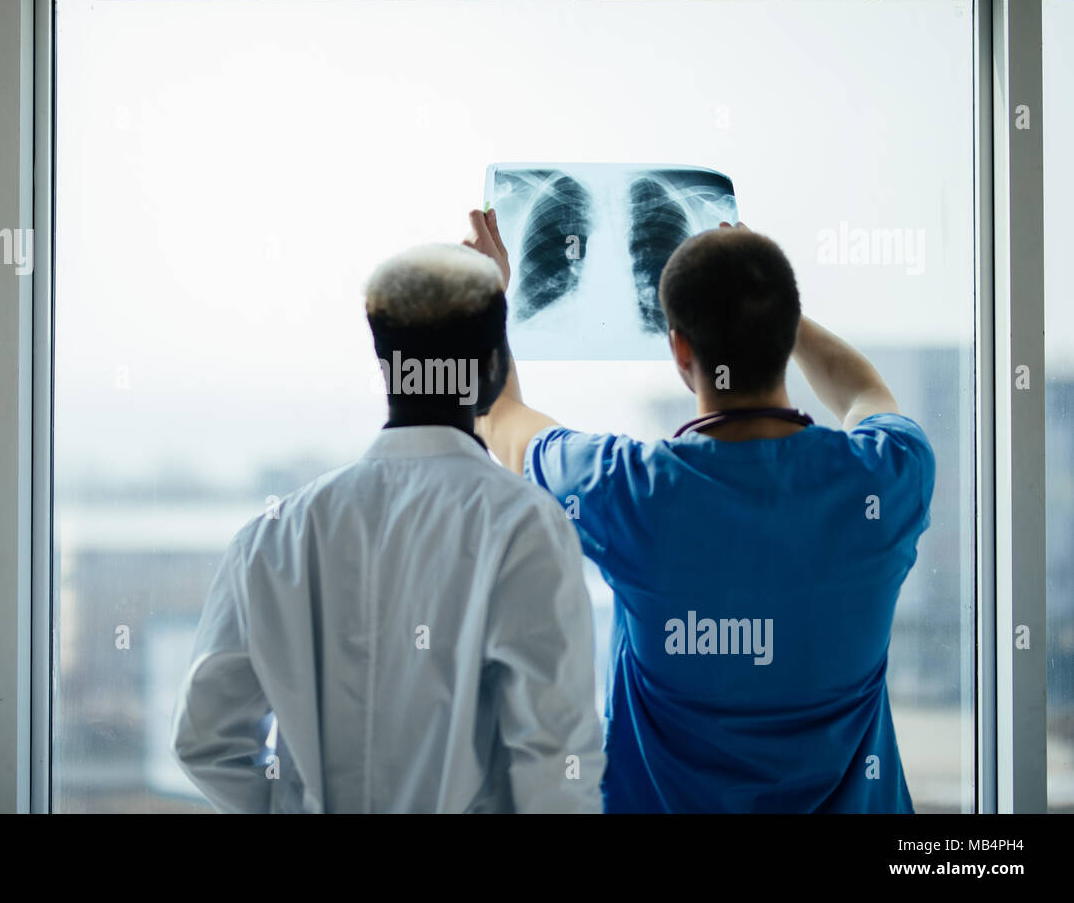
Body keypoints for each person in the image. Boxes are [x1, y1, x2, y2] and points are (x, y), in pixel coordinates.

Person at [463, 210, 934, 813]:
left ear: (680, 349)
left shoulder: (623, 488)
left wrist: (488, 298)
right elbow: (865, 394)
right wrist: (774, 316)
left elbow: (498, 420)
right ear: (785, 335)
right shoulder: (884, 477)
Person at [172, 242, 603, 813]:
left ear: (387, 368)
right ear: (495, 369)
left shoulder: (272, 537)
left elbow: (206, 742)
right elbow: (555, 760)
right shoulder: (523, 526)